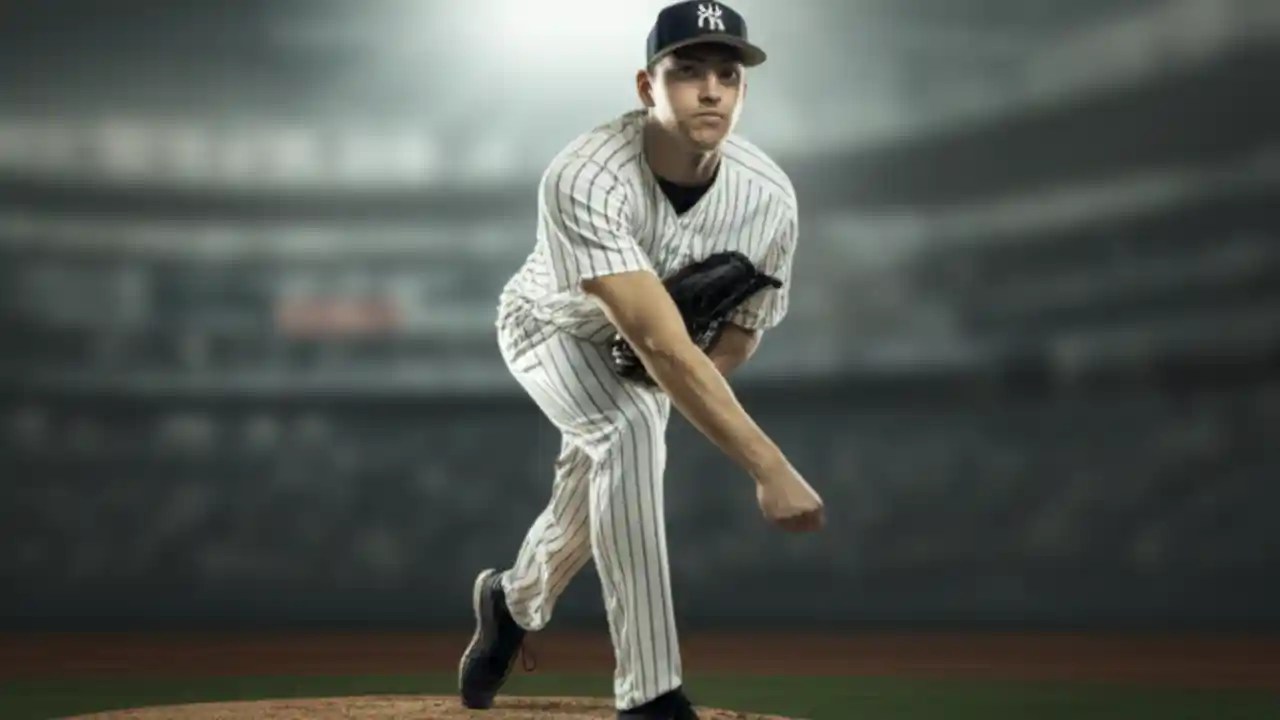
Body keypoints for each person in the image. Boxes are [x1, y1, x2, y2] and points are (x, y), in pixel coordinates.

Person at [459, 2, 824, 718]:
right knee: (630, 433)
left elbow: (739, 337)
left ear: (744, 92)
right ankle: (651, 693)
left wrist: (683, 382)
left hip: (654, 361)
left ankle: (514, 599)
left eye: (728, 75)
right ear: (645, 86)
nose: (711, 89)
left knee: (605, 474)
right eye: (687, 72)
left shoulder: (770, 200)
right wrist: (769, 468)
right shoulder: (585, 176)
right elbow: (659, 342)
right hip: (551, 329)